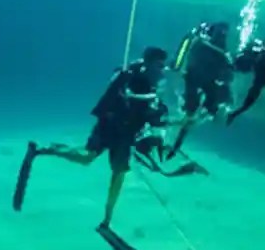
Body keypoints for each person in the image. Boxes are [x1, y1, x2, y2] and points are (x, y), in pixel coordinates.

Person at [15, 46, 171, 237]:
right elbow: (112, 95)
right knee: (86, 158)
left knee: (119, 173)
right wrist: (122, 82)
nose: (161, 70)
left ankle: (107, 220)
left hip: (127, 133)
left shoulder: (156, 82)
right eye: (158, 65)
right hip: (109, 125)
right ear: (148, 62)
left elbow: (154, 108)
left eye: (163, 66)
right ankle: (43, 150)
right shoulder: (127, 74)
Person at [166, 20, 235, 158]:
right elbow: (227, 70)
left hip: (201, 79)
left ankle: (175, 140)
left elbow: (227, 71)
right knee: (194, 110)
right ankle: (173, 140)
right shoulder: (202, 42)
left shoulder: (199, 41)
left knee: (195, 110)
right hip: (199, 79)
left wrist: (176, 66)